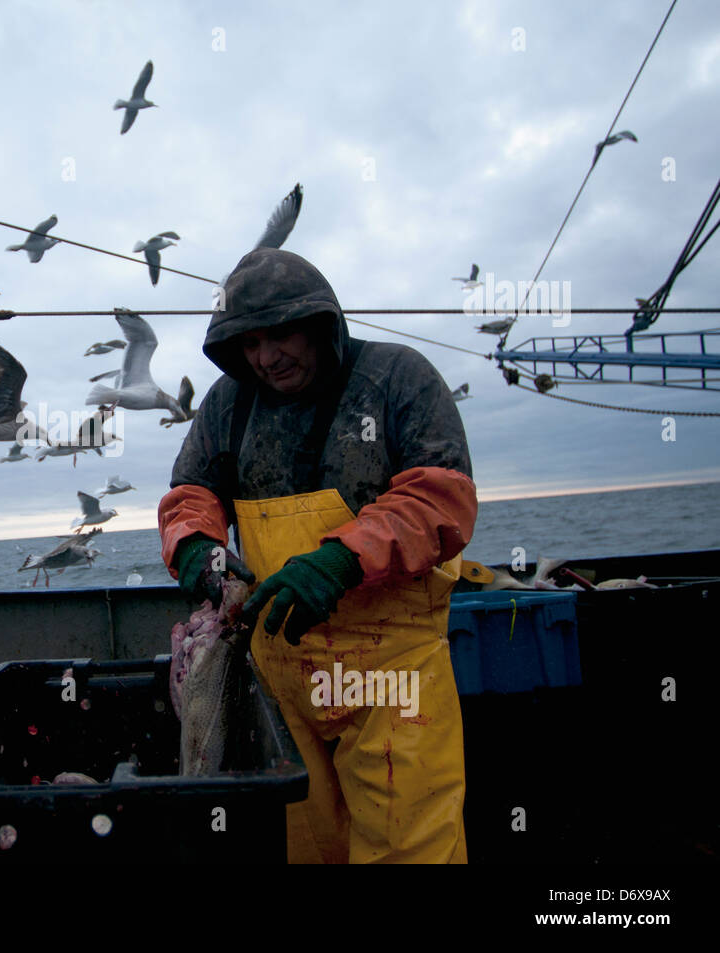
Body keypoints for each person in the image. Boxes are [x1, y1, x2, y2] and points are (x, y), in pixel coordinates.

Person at [159, 248, 476, 863]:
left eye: (281, 334)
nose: (266, 357)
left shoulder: (399, 377)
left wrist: (343, 560)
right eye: (249, 342)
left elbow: (440, 497)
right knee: (306, 850)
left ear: (321, 323)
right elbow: (190, 493)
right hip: (281, 680)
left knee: (408, 849)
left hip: (392, 681)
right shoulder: (228, 403)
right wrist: (196, 543)